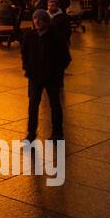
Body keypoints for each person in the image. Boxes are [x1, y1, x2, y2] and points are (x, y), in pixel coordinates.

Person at [20, 10, 68, 143]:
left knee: (55, 104)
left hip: (51, 76)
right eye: (35, 19)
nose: (36, 22)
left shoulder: (56, 37)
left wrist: (57, 72)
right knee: (33, 105)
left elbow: (65, 57)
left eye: (39, 19)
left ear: (45, 21)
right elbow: (24, 52)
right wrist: (27, 67)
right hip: (35, 76)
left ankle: (57, 132)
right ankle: (31, 133)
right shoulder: (30, 36)